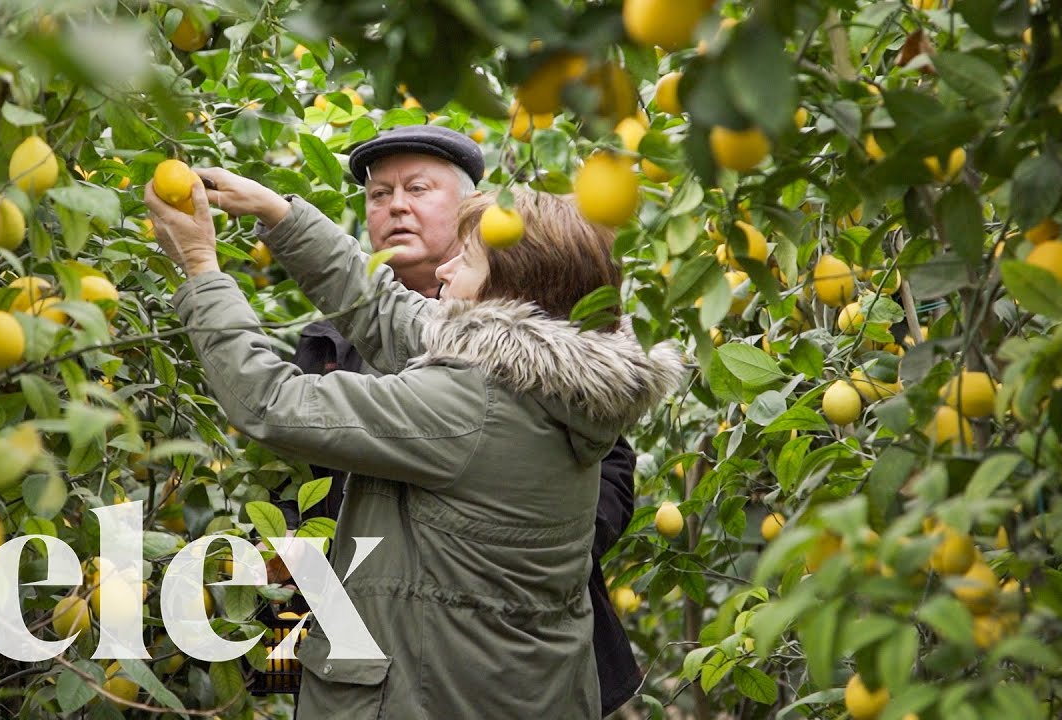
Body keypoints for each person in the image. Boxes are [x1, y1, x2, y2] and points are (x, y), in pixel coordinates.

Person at [145, 166, 683, 718]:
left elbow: (269, 401)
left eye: (466, 260)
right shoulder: (547, 379)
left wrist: (200, 267)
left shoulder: (473, 405)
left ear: (508, 296)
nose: (447, 267)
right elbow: (385, 309)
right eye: (380, 194)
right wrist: (276, 213)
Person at [290, 126, 647, 716]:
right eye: (379, 195)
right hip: (369, 645)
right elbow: (307, 501)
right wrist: (291, 664)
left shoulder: (538, 327)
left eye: (417, 189)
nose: (395, 206)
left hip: (511, 650)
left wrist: (521, 565)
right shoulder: (327, 341)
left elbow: (606, 465)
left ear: (469, 213)